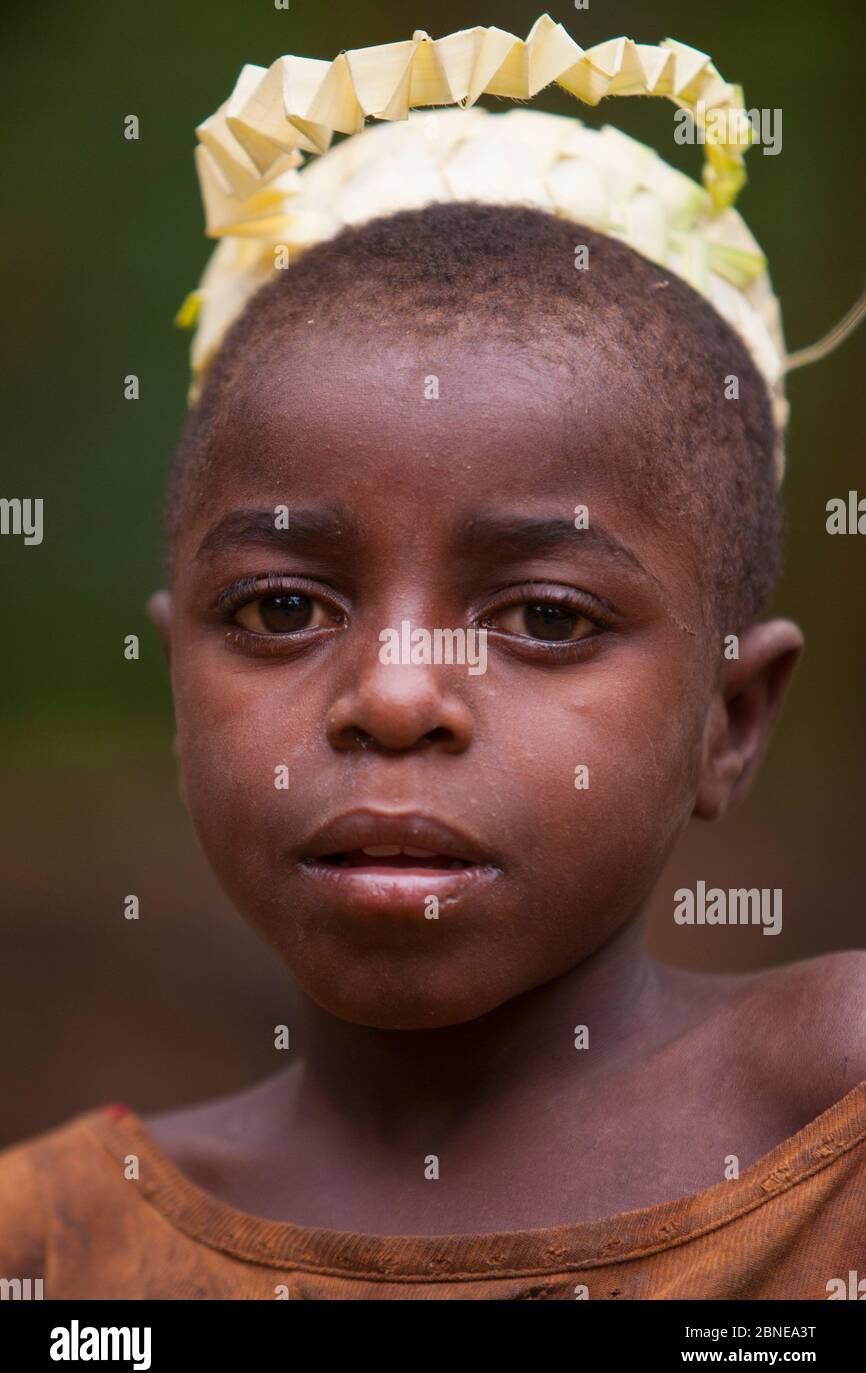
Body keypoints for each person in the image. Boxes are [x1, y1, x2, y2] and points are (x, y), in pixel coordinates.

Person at [2, 16, 864, 1301]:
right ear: (179, 682)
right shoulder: (57, 1248)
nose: (394, 695)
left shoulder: (833, 1130)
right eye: (282, 610)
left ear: (727, 720)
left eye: (549, 619)